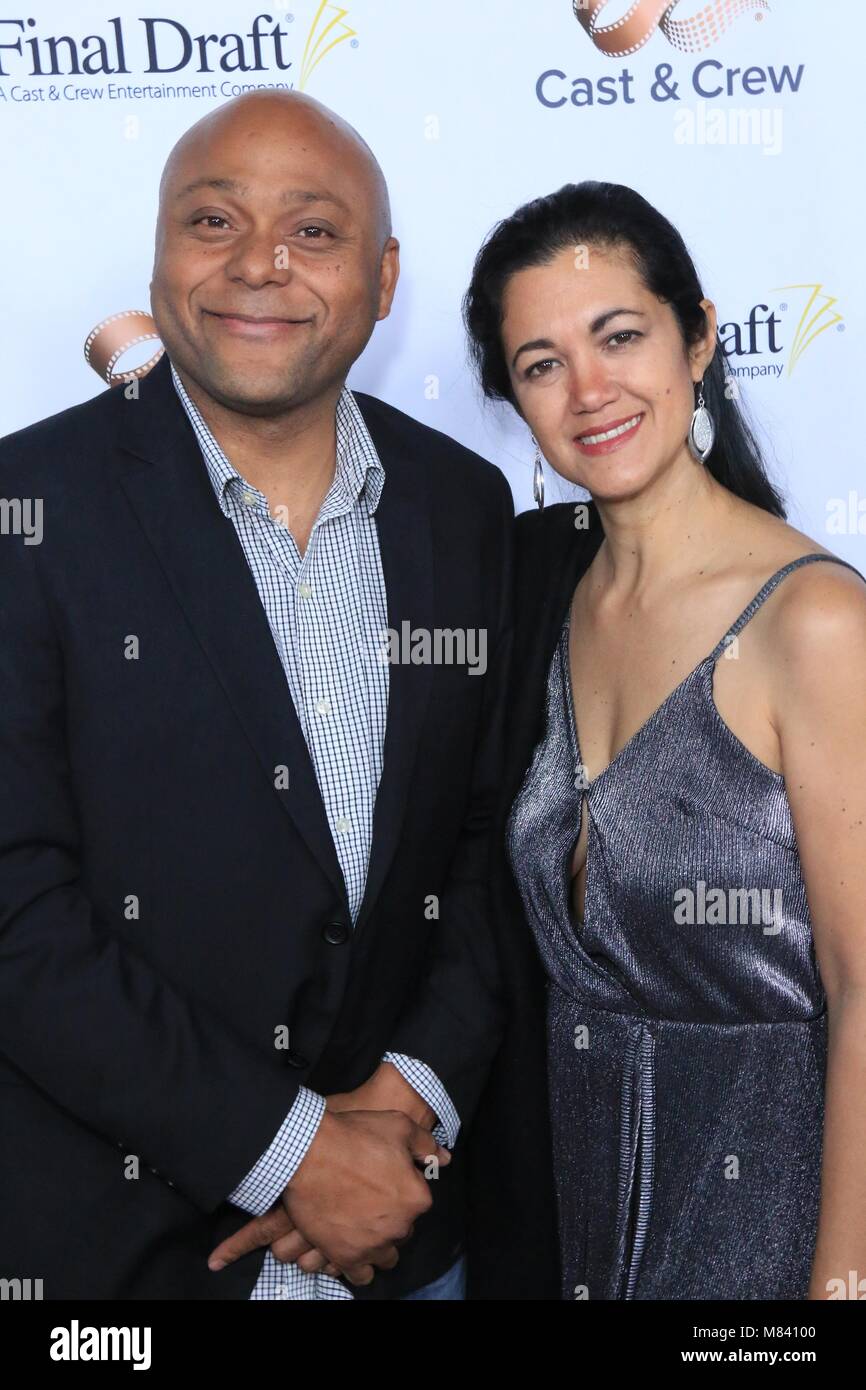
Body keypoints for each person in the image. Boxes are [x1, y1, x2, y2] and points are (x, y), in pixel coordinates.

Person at [0, 91, 513, 1301]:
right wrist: (293, 1151)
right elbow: (15, 910)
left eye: (315, 232)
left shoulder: (461, 505)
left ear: (384, 281)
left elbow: (493, 838)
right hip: (114, 1264)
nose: (258, 266)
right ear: (160, 255)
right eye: (213, 220)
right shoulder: (28, 510)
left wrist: (403, 1098)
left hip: (402, 1240)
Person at [463, 181, 866, 1300]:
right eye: (541, 363)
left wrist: (837, 1287)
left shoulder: (812, 621)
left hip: (769, 1233)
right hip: (578, 1227)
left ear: (697, 338)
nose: (588, 390)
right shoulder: (543, 600)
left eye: (619, 336)